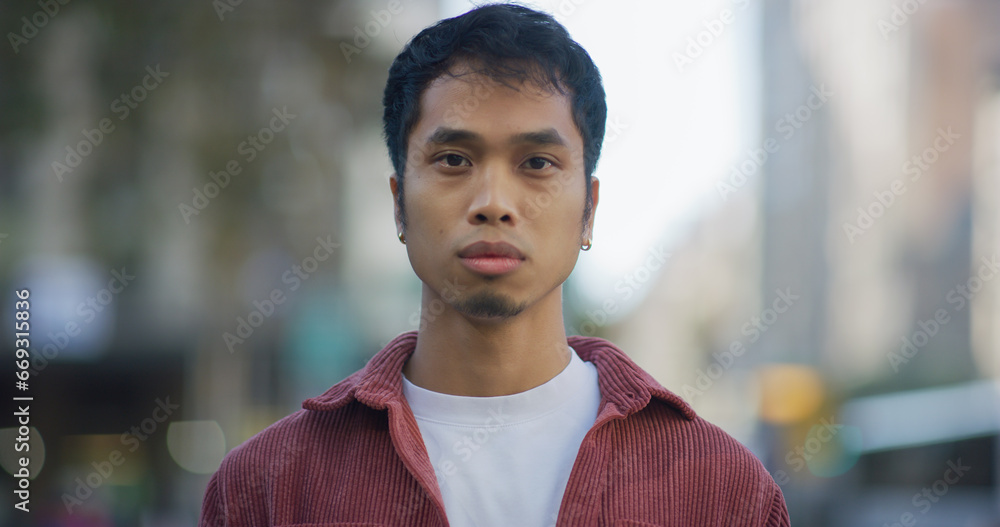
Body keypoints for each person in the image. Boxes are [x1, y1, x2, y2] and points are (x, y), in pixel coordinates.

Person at [199, 3, 790, 526]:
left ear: (589, 210)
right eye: (454, 158)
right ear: (398, 201)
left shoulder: (717, 488)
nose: (493, 204)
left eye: (536, 163)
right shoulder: (270, 487)